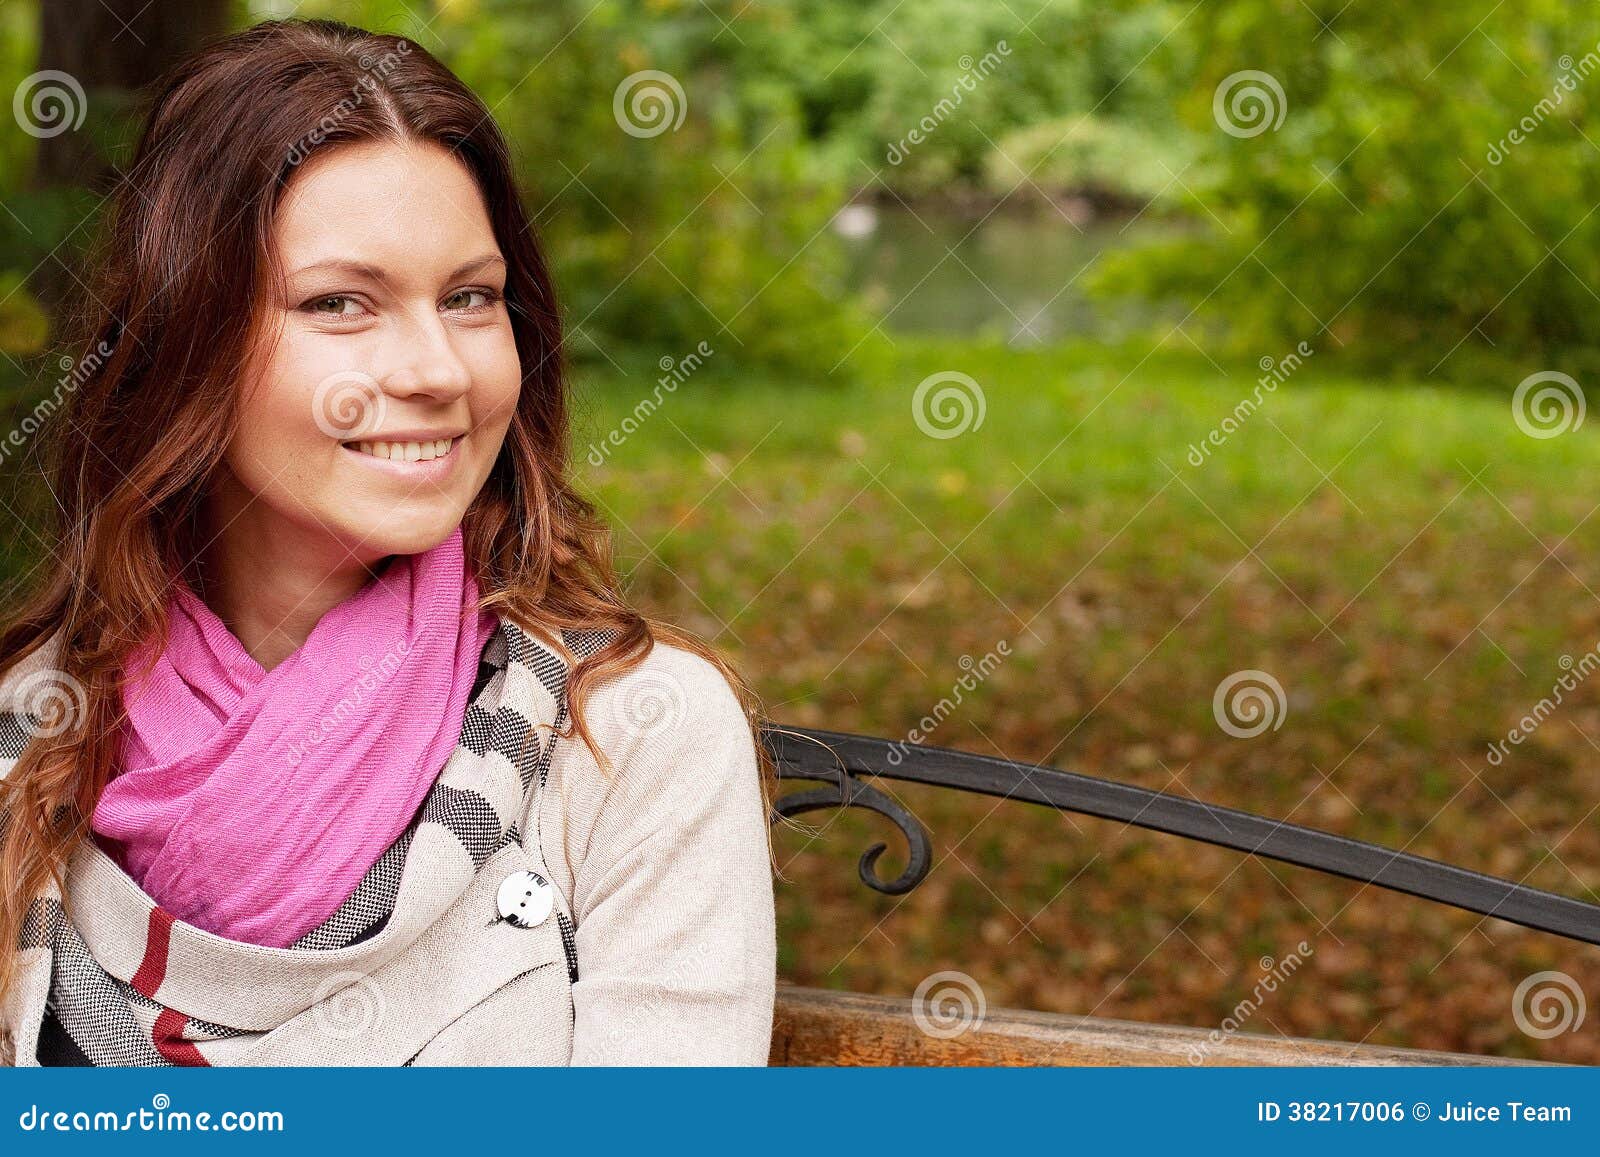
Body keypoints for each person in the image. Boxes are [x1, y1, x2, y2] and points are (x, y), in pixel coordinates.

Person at [0, 17, 776, 1067]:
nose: (435, 370)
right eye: (341, 303)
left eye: (469, 298)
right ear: (183, 344)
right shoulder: (30, 738)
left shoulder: (634, 733)